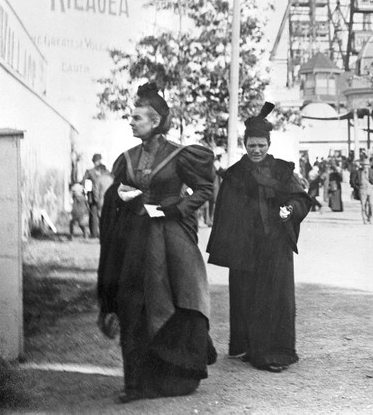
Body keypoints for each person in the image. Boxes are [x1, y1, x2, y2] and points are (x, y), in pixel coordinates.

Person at [97, 82, 216, 404]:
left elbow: (206, 189)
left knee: (181, 298)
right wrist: (120, 196)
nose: (131, 122)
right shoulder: (126, 158)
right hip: (134, 239)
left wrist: (177, 209)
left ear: (155, 121)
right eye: (131, 117)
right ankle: (136, 383)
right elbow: (117, 194)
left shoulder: (181, 155)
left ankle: (175, 378)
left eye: (137, 117)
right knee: (133, 304)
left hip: (172, 238)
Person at [207, 103, 313, 372]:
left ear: (268, 143)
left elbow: (300, 199)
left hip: (276, 245)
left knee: (275, 297)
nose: (256, 150)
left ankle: (274, 352)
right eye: (252, 145)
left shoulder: (281, 170)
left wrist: (289, 210)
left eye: (261, 145)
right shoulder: (234, 175)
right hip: (246, 246)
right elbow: (224, 211)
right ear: (245, 144)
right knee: (247, 296)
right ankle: (247, 347)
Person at [83, 153, 112, 239]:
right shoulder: (107, 172)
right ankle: (104, 233)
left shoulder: (90, 172)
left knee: (93, 216)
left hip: (93, 197)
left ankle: (94, 234)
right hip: (106, 197)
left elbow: (83, 182)